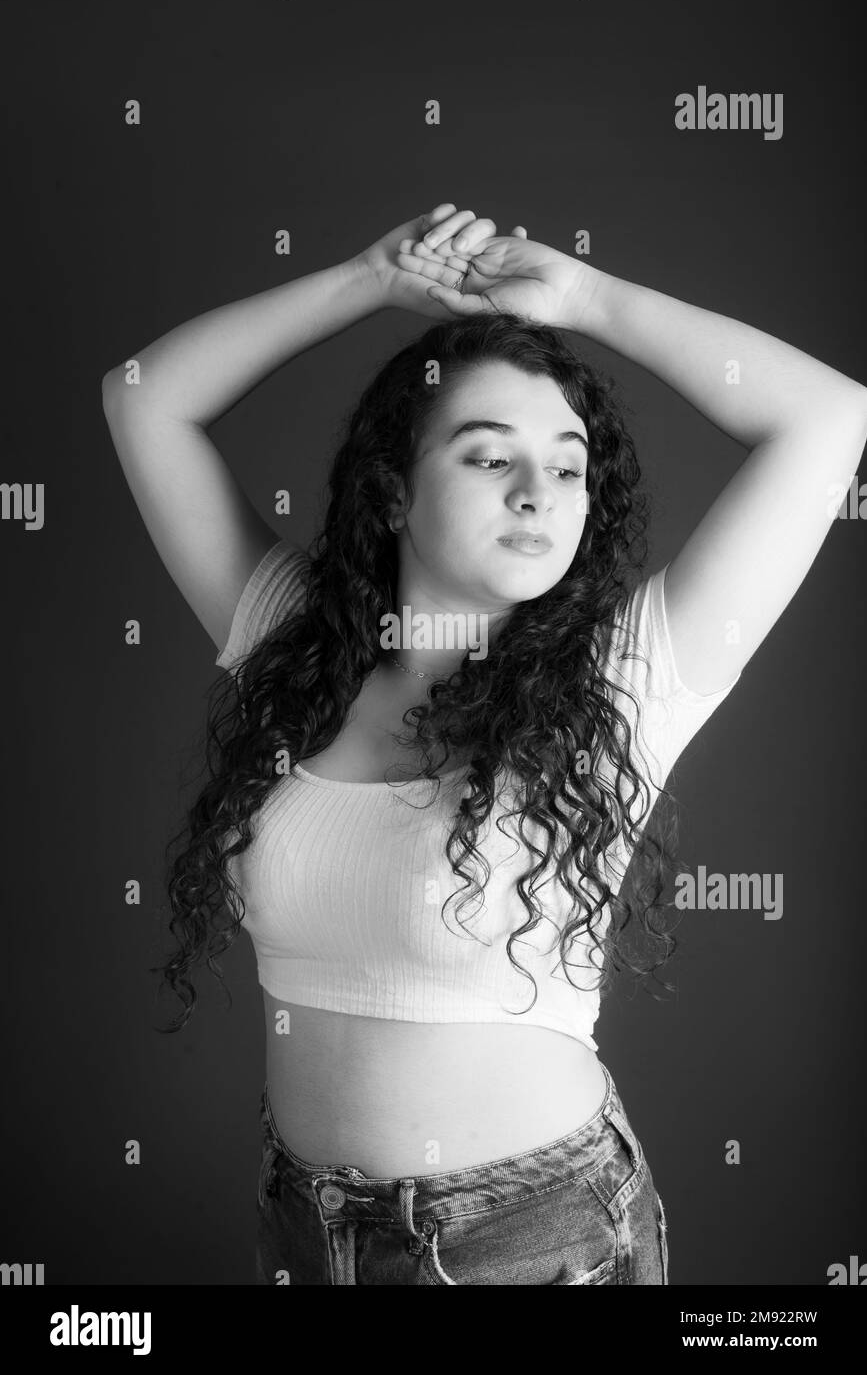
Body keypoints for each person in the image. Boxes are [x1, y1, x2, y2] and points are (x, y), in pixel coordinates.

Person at [101, 202, 867, 1285]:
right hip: (305, 1228)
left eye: (566, 465)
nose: (538, 494)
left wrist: (591, 299)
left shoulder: (622, 681)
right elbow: (143, 401)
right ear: (396, 490)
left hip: (531, 1240)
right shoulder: (294, 639)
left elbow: (830, 418)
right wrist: (370, 277)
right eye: (487, 455)